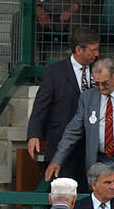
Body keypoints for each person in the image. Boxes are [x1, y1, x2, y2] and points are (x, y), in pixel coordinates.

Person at [45, 57, 114, 197]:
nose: (100, 88)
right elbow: (72, 131)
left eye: (104, 83)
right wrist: (57, 159)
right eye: (97, 84)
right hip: (98, 161)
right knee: (99, 198)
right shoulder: (87, 98)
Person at [26, 28, 100, 180]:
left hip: (92, 146)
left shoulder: (100, 70)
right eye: (93, 50)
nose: (97, 54)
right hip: (61, 145)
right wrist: (33, 135)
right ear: (78, 49)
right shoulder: (54, 72)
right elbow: (41, 106)